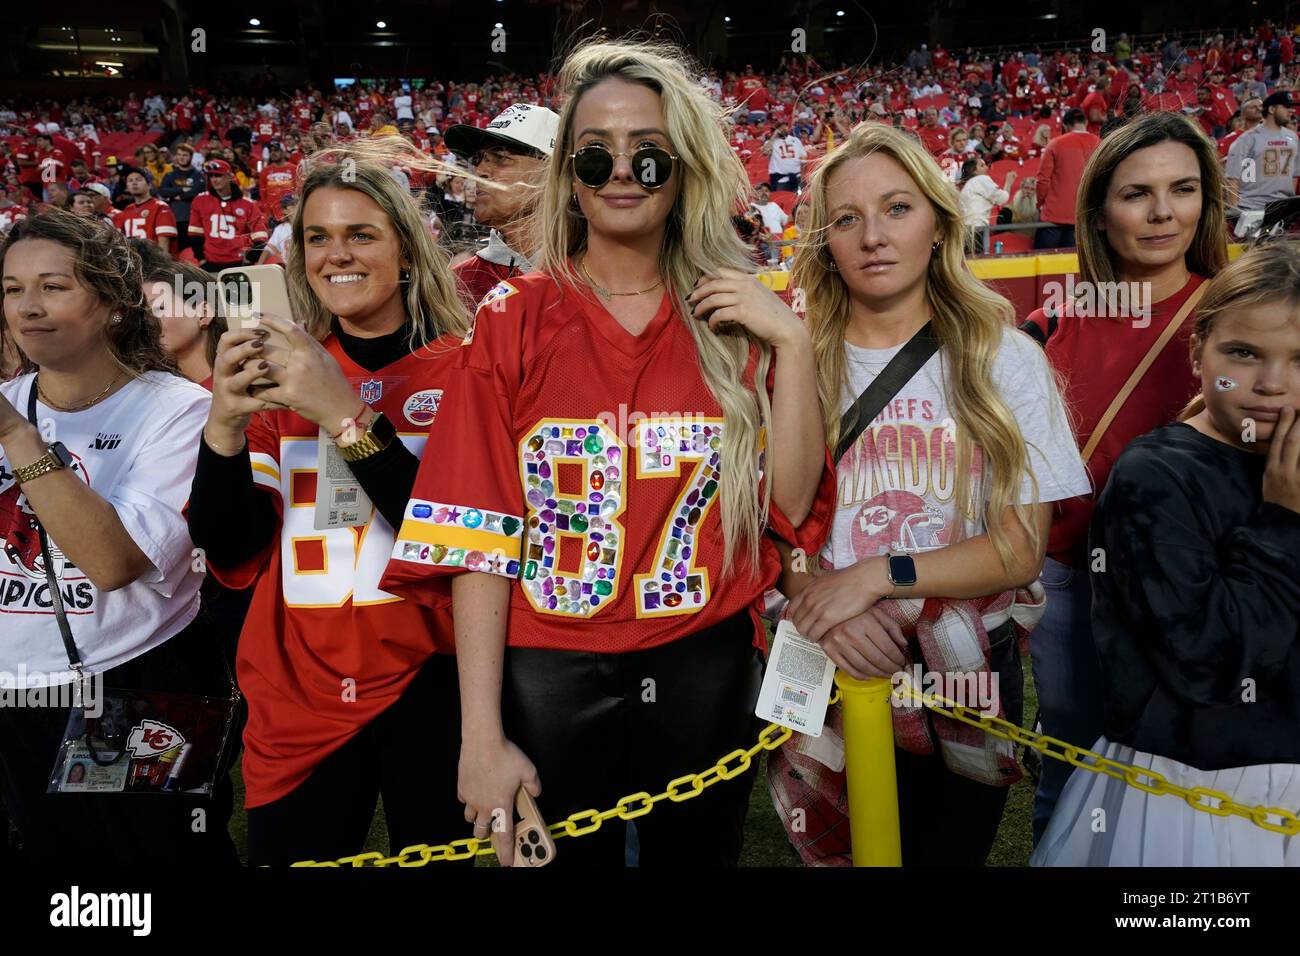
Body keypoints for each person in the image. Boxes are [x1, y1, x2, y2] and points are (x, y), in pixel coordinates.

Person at [381, 38, 832, 867]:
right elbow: (477, 534)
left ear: (684, 166)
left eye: (648, 153)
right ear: (571, 175)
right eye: (597, 153)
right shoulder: (513, 318)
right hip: (547, 668)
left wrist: (793, 351)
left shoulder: (736, 316)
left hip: (703, 662)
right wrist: (480, 734)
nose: (621, 172)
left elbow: (791, 508)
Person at [766, 122, 1086, 867]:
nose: (873, 236)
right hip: (828, 650)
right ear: (824, 241)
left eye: (898, 209)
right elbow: (767, 525)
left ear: (940, 223)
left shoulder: (1004, 358)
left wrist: (874, 578)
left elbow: (1018, 547)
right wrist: (822, 607)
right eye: (846, 219)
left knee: (949, 850)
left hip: (963, 666)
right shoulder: (785, 358)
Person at [185, 138, 473, 866]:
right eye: (318, 236)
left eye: (360, 234)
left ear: (407, 251)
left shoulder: (472, 368)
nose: (335, 254)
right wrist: (223, 420)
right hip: (301, 689)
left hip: (435, 682)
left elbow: (449, 539)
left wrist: (346, 416)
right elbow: (229, 543)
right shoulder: (280, 376)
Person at [1033, 241, 1300, 867]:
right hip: (1195, 795)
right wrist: (1283, 522)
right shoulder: (1155, 474)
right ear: (1197, 351)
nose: (1271, 384)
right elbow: (1207, 664)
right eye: (1243, 353)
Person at [1019, 110, 1228, 845]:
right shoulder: (1060, 314)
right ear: (1100, 211)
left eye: (1184, 189)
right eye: (1138, 193)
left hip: (1195, 585)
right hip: (1072, 575)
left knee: (1185, 776)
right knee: (1069, 765)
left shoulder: (1236, 308)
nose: (1164, 212)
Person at [0, 211, 234, 866]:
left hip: (142, 679)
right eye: (13, 289)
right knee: (67, 880)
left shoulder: (178, 409)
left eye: (53, 286)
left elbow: (112, 562)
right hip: (19, 690)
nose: (29, 307)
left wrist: (19, 436)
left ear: (110, 303)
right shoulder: (9, 396)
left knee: (164, 862)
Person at [444, 103, 559, 304]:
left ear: (552, 172)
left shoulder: (596, 272)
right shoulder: (457, 285)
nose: (479, 171)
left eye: (500, 157)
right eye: (478, 159)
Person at [1226, 91, 1300, 238]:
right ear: (1272, 109)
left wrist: (1288, 200)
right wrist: (1237, 213)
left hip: (1282, 210)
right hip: (1252, 209)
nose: (1292, 110)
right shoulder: (1247, 139)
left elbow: (1295, 174)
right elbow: (1232, 178)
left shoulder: (1293, 137)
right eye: (1286, 107)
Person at [1034, 108, 1100, 250]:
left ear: (1065, 125)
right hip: (1083, 214)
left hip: (1053, 216)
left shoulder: (1055, 144)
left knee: (1046, 264)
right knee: (1072, 268)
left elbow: (1043, 180)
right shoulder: (1099, 144)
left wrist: (1039, 203)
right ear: (1086, 122)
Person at [188, 158, 268, 272]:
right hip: (210, 263)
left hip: (239, 263)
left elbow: (260, 235)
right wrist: (201, 259)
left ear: (230, 176)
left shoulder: (248, 204)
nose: (214, 180)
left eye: (218, 175)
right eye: (211, 176)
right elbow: (194, 233)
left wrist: (250, 259)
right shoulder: (200, 200)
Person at [111, 168, 177, 255]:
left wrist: (161, 265)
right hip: (135, 262)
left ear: (149, 185)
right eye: (130, 180)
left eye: (138, 179)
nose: (134, 183)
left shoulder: (160, 207)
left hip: (154, 262)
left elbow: (164, 242)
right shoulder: (128, 209)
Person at [160, 143, 203, 258]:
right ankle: (179, 277)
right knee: (177, 254)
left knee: (193, 253)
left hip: (194, 220)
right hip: (175, 219)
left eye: (185, 155)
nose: (181, 157)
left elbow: (197, 193)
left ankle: (194, 276)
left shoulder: (198, 175)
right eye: (179, 154)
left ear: (191, 157)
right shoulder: (170, 175)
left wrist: (176, 195)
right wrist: (182, 189)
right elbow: (163, 192)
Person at [958, 155, 1014, 235]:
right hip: (977, 228)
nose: (986, 167)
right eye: (982, 165)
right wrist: (1008, 182)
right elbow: (1002, 199)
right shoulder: (981, 179)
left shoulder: (969, 184)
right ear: (974, 171)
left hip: (966, 228)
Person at [764, 121, 807, 192]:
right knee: (781, 200)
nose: (783, 129)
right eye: (780, 127)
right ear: (776, 129)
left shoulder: (795, 140)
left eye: (785, 126)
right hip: (780, 180)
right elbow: (765, 152)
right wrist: (774, 136)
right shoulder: (771, 142)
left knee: (799, 201)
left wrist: (803, 177)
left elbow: (803, 160)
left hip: (797, 177)